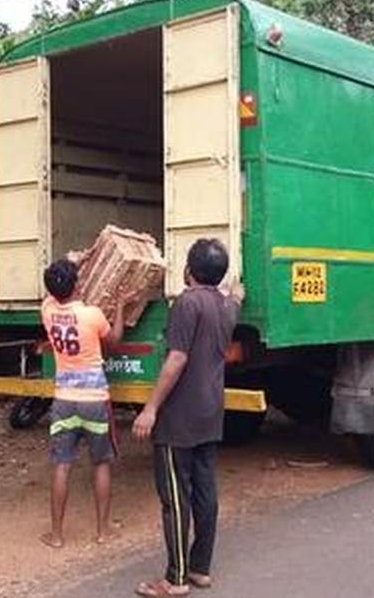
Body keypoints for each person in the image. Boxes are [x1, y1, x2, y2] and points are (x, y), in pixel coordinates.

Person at [133, 239, 243, 597]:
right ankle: (200, 568)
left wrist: (150, 409)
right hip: (211, 409)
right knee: (205, 490)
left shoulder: (187, 303)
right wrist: (236, 290)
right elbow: (236, 295)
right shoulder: (227, 306)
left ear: (188, 271)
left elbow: (176, 359)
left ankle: (175, 579)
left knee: (175, 497)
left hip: (179, 415)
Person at [39, 258, 126, 549]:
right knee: (101, 464)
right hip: (94, 401)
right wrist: (123, 307)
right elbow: (113, 340)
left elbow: (54, 292)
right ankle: (103, 531)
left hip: (64, 400)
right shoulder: (93, 315)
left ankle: (57, 535)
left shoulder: (48, 311)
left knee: (61, 466)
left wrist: (71, 267)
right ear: (77, 284)